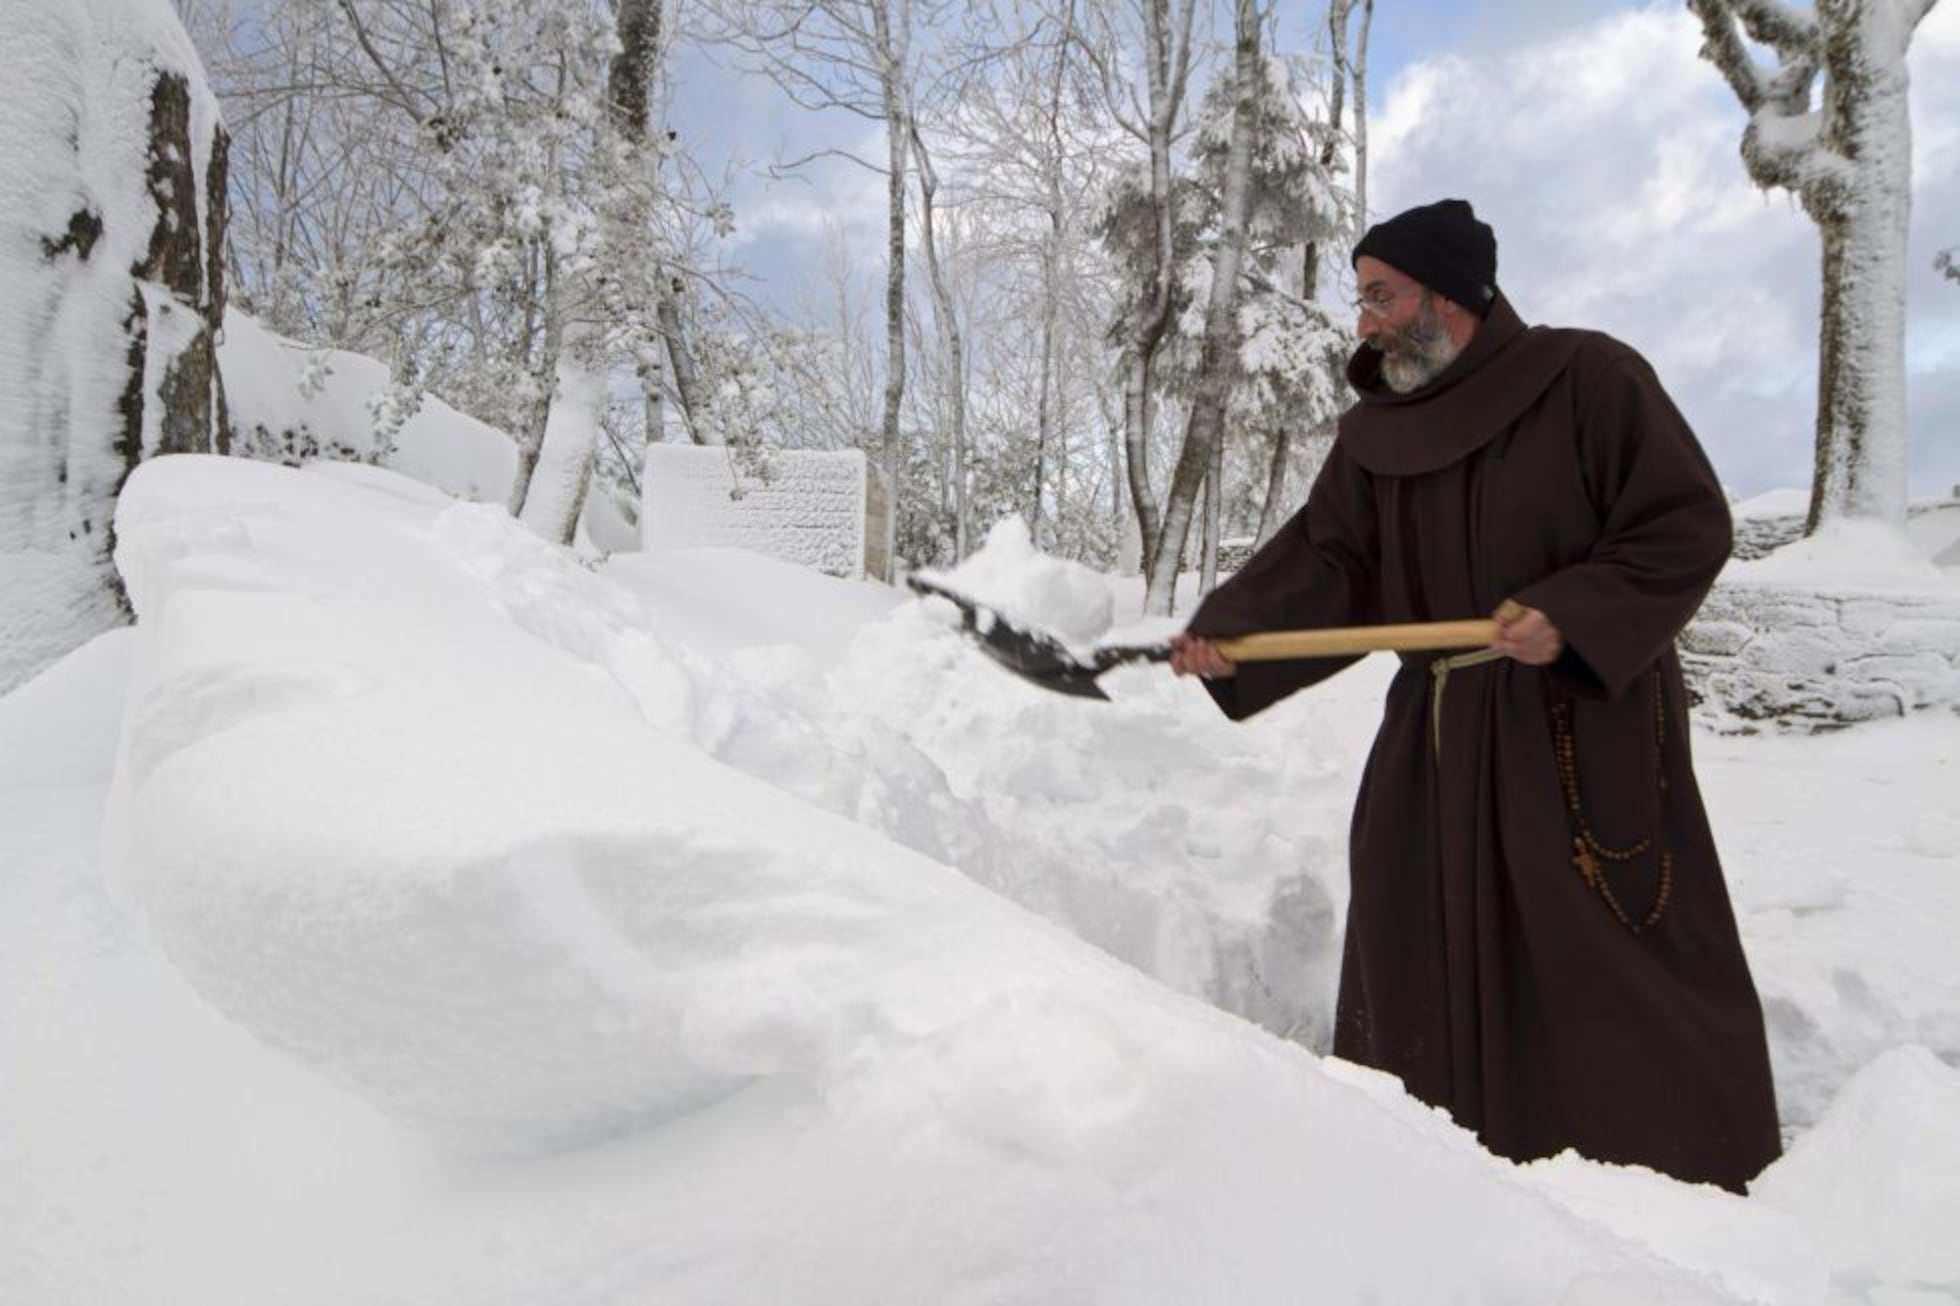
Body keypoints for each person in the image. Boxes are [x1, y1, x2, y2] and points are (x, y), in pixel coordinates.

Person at [1170, 199, 1780, 1193]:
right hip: (1437, 736)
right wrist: (1234, 633)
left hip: (1579, 726)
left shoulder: (1589, 379)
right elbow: (1329, 559)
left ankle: (1656, 1185)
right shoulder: (1376, 434)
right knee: (1410, 927)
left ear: (1448, 294)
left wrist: (1572, 610)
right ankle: (1431, 1181)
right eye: (1359, 296)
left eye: (1379, 294)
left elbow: (1681, 523)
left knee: (1595, 950)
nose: (1360, 319)